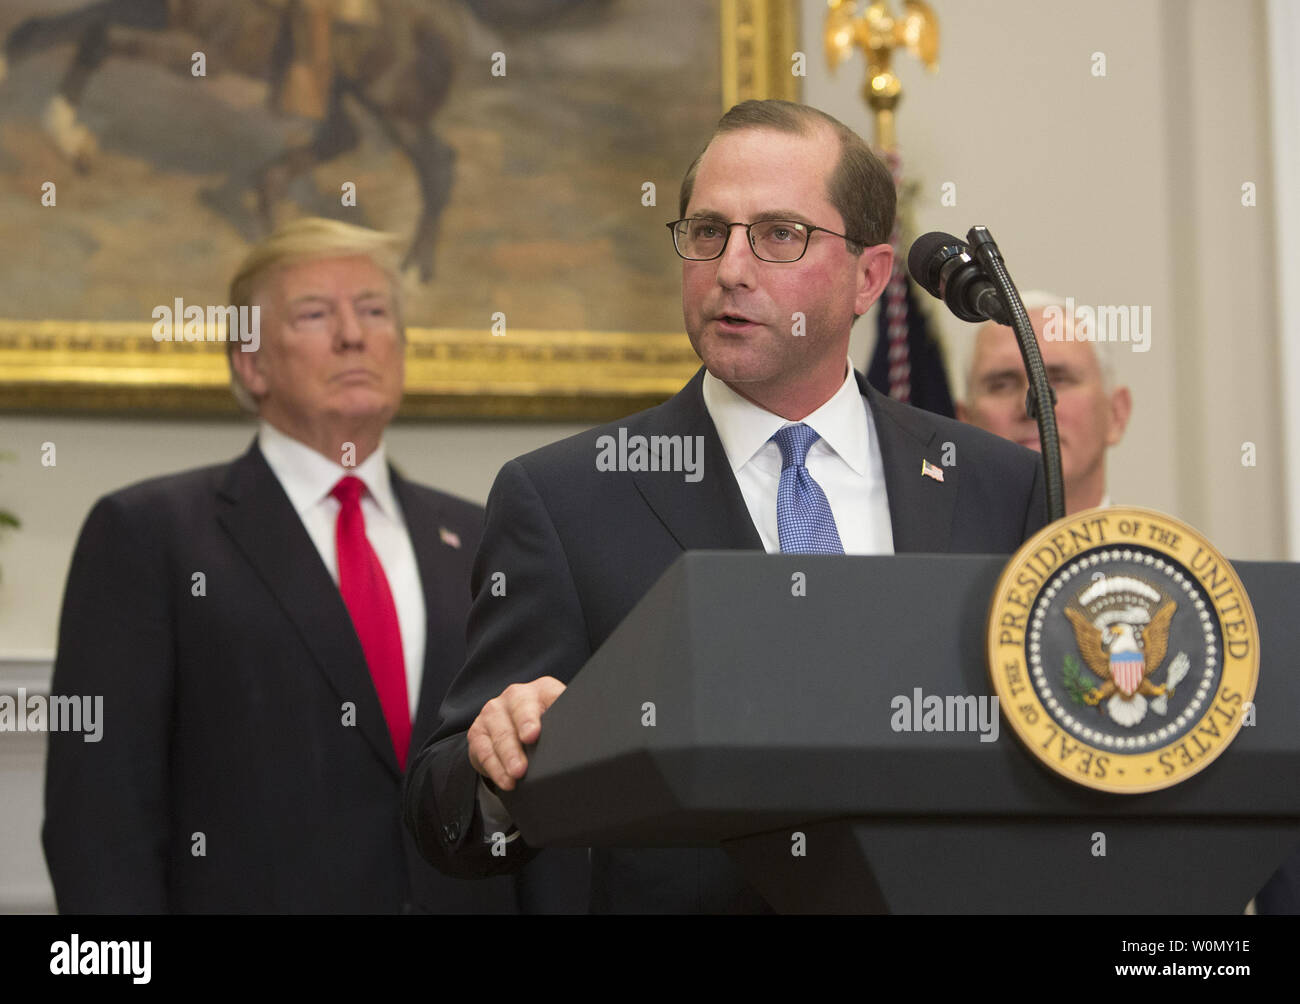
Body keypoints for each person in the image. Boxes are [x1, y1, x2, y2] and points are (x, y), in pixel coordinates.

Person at [403, 100, 1048, 913]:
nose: (731, 268)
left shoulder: (992, 482)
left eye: (779, 235)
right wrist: (498, 767)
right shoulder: (567, 499)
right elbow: (446, 813)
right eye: (708, 232)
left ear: (870, 277)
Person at [43, 217, 522, 913]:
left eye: (374, 311)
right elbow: (98, 820)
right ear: (251, 362)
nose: (353, 335)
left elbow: (526, 789)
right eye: (314, 314)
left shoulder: (479, 535)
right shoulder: (151, 535)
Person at [957, 292, 1131, 514]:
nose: (1031, 407)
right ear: (964, 422)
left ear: (1116, 414)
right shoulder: (921, 549)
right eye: (1002, 385)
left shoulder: (1168, 549)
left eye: (1059, 380)